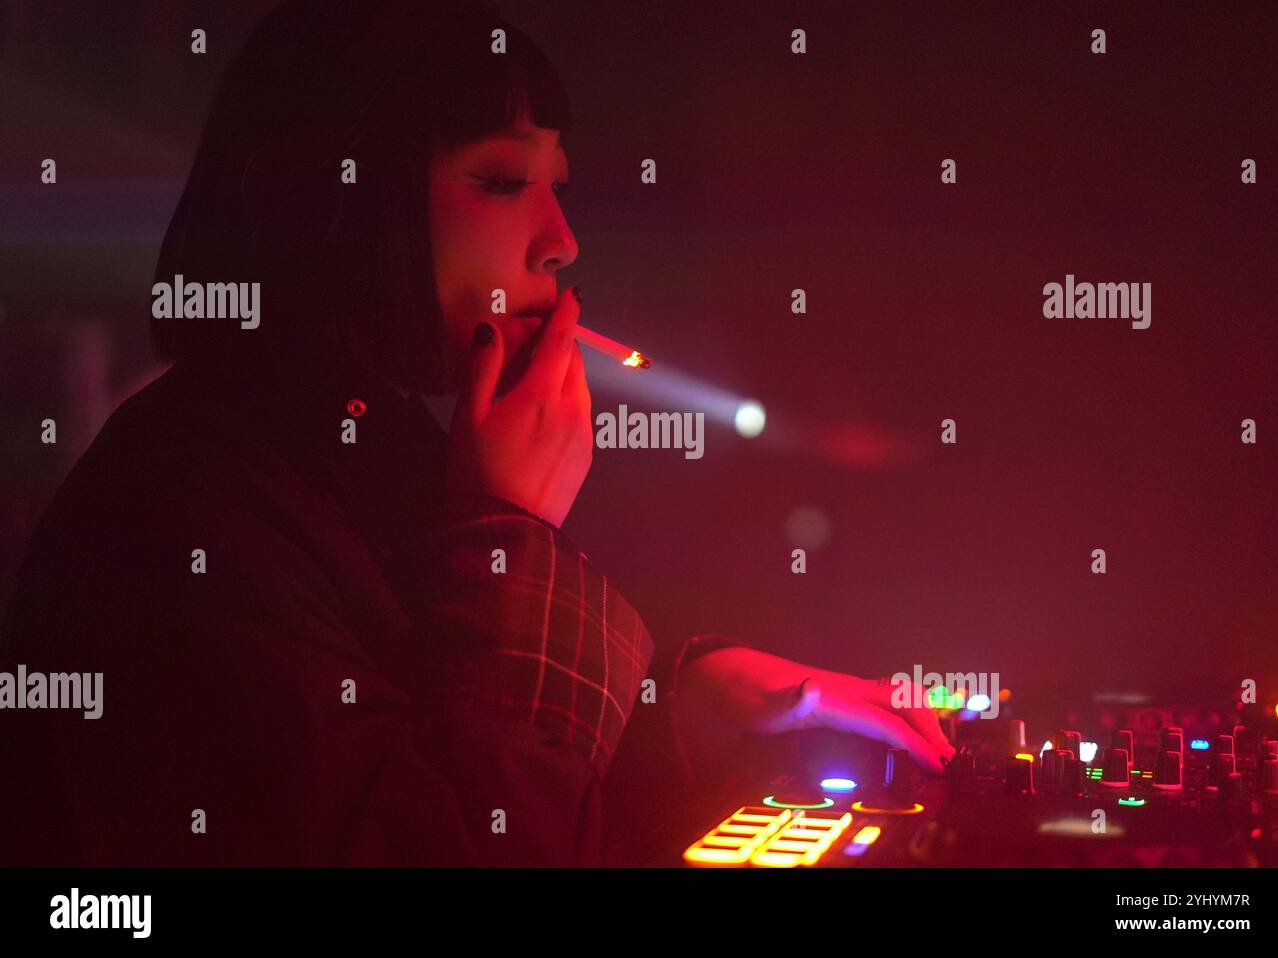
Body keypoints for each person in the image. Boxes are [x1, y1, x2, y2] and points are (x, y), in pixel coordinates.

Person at [0, 0, 953, 866]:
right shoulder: (173, 518)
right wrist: (509, 536)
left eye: (557, 184)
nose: (561, 239)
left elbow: (510, 753)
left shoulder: (367, 446)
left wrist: (700, 697)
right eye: (502, 180)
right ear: (343, 205)